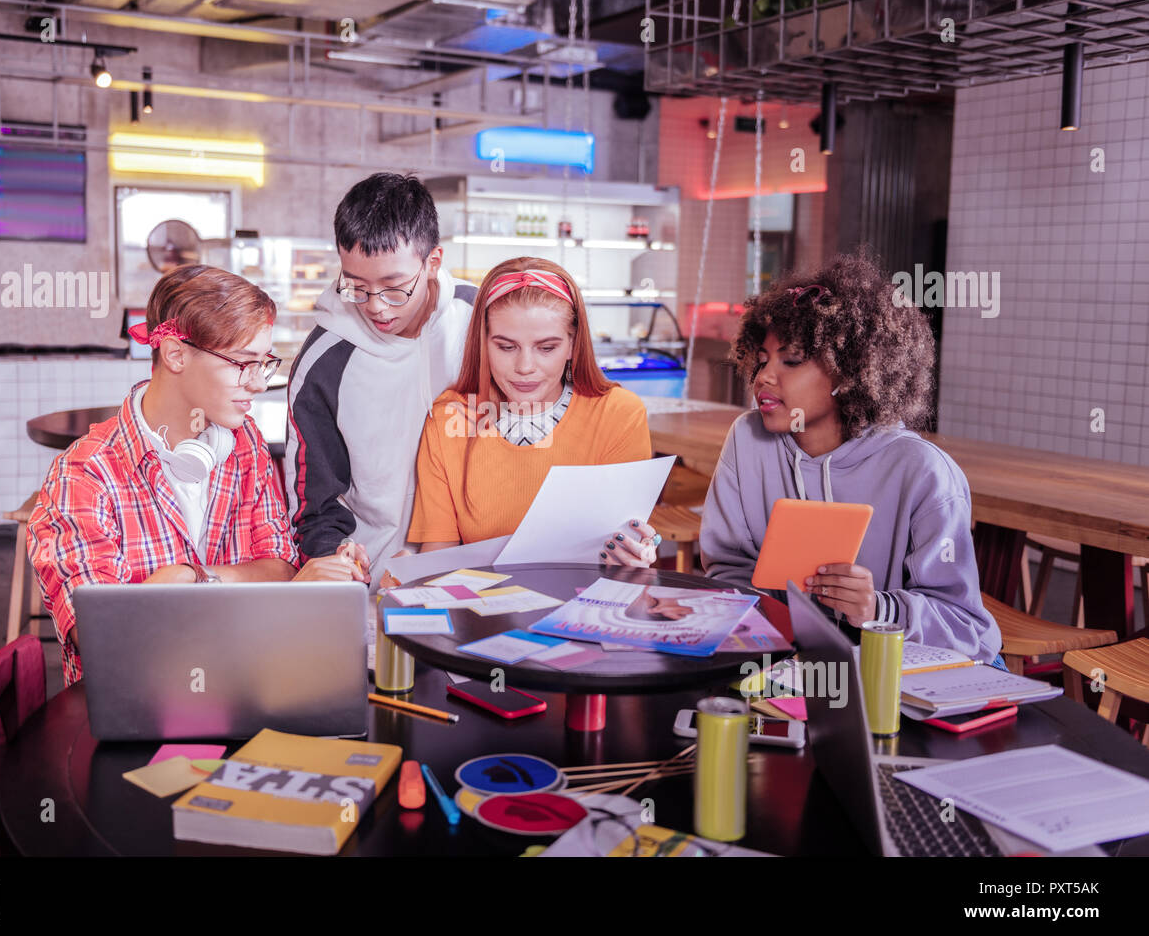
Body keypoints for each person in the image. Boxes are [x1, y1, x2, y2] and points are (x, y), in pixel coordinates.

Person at [29, 265, 367, 686]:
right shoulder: (84, 475)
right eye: (243, 363)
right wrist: (242, 583)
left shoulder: (244, 444)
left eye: (264, 364)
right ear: (175, 354)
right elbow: (101, 634)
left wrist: (190, 578)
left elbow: (280, 569)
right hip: (138, 704)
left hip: (243, 684)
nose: (259, 384)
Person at [698, 252, 1002, 664]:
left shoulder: (922, 471)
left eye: (792, 360)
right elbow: (728, 569)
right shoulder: (747, 439)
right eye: (763, 359)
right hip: (793, 665)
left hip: (896, 674)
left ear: (849, 371)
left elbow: (972, 632)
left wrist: (879, 608)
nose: (765, 377)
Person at [284, 173, 477, 588]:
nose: (375, 307)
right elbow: (311, 506)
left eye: (393, 288)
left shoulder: (483, 322)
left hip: (482, 577)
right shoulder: (324, 361)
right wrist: (337, 558)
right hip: (376, 586)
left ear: (433, 263)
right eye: (355, 286)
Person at [407, 256, 658, 564]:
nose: (524, 367)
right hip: (481, 609)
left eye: (546, 348)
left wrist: (632, 556)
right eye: (506, 347)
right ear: (483, 343)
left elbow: (623, 554)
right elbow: (437, 556)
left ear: (572, 344)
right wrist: (409, 578)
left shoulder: (619, 414)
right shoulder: (450, 417)